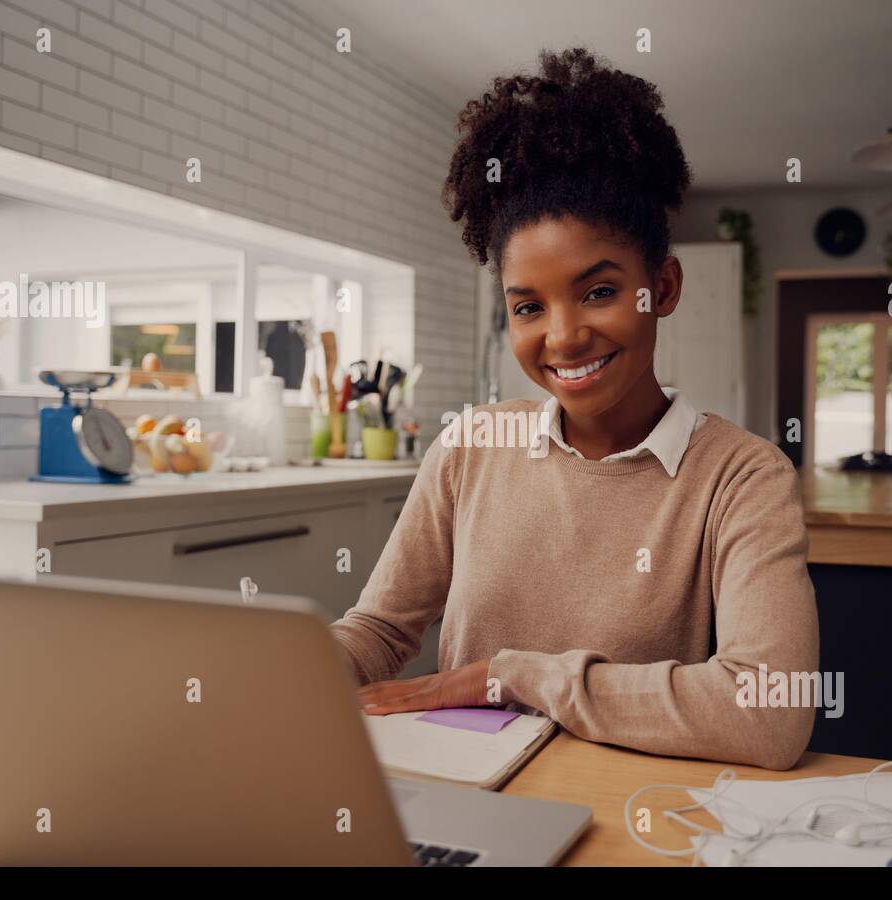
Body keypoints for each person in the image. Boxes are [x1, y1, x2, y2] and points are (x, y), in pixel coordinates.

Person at [330, 48, 819, 770]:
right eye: (529, 306)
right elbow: (376, 633)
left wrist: (516, 677)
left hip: (631, 810)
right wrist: (290, 670)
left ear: (663, 287)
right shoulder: (470, 447)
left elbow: (770, 712)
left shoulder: (742, 477)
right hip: (469, 792)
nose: (562, 338)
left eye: (599, 292)